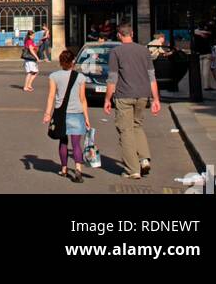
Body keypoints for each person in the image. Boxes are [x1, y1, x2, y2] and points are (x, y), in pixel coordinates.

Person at [104, 23, 160, 179]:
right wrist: (156, 99)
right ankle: (144, 159)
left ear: (119, 35)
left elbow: (112, 79)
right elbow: (151, 76)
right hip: (143, 95)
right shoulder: (144, 51)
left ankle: (133, 169)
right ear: (133, 33)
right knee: (137, 126)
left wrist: (107, 99)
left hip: (124, 95)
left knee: (126, 131)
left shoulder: (116, 52)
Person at [43, 48, 91, 182]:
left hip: (61, 113)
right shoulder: (80, 77)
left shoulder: (54, 76)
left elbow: (51, 96)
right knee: (76, 144)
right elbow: (83, 99)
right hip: (77, 112)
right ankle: (78, 169)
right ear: (73, 61)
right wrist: (86, 117)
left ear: (61, 62)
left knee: (63, 141)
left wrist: (47, 113)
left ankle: (64, 168)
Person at [193, 24, 214, 90]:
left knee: (203, 71)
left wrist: (199, 32)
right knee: (206, 71)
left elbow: (193, 31)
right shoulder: (208, 34)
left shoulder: (196, 34)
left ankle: (208, 85)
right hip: (207, 53)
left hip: (199, 53)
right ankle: (206, 86)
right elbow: (210, 33)